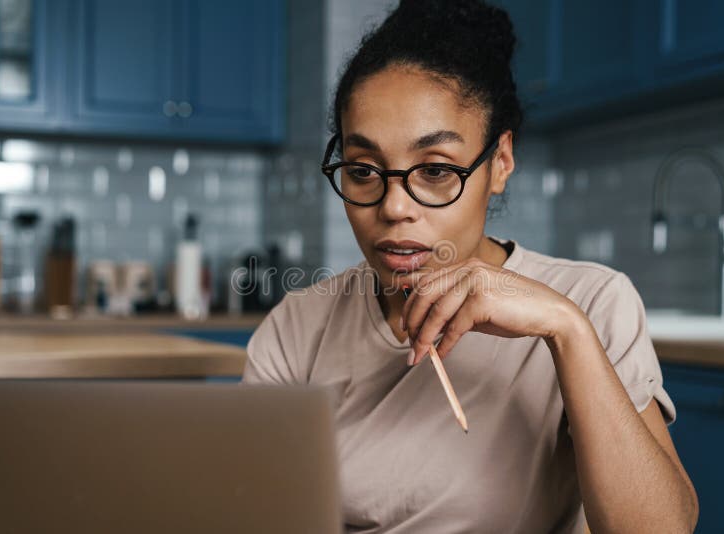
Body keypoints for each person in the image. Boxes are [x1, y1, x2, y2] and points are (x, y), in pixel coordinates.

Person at [242, 0, 699, 532]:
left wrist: (567, 329)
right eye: (363, 169)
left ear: (500, 161)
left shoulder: (592, 302)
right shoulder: (298, 327)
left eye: (435, 170)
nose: (393, 207)